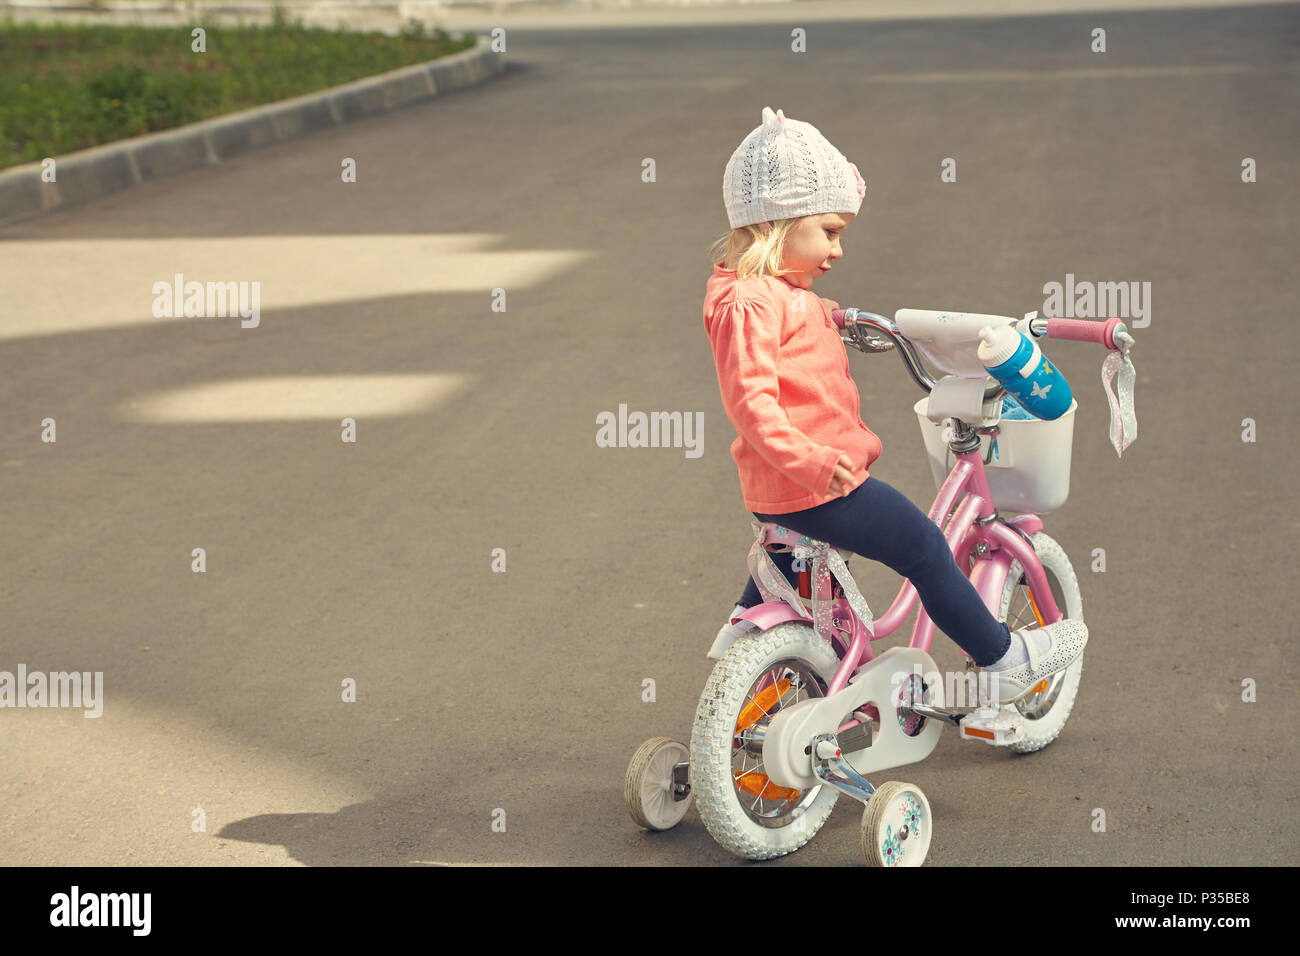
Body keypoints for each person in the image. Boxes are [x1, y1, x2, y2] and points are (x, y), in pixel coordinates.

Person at [701, 107, 1087, 704]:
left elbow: (784, 330)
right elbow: (752, 404)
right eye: (829, 231)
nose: (837, 248)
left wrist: (827, 318)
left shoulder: (762, 293)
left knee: (796, 577)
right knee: (925, 549)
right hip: (817, 484)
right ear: (778, 224)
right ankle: (1002, 658)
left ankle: (740, 673)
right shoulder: (754, 304)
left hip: (788, 489)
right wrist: (808, 460)